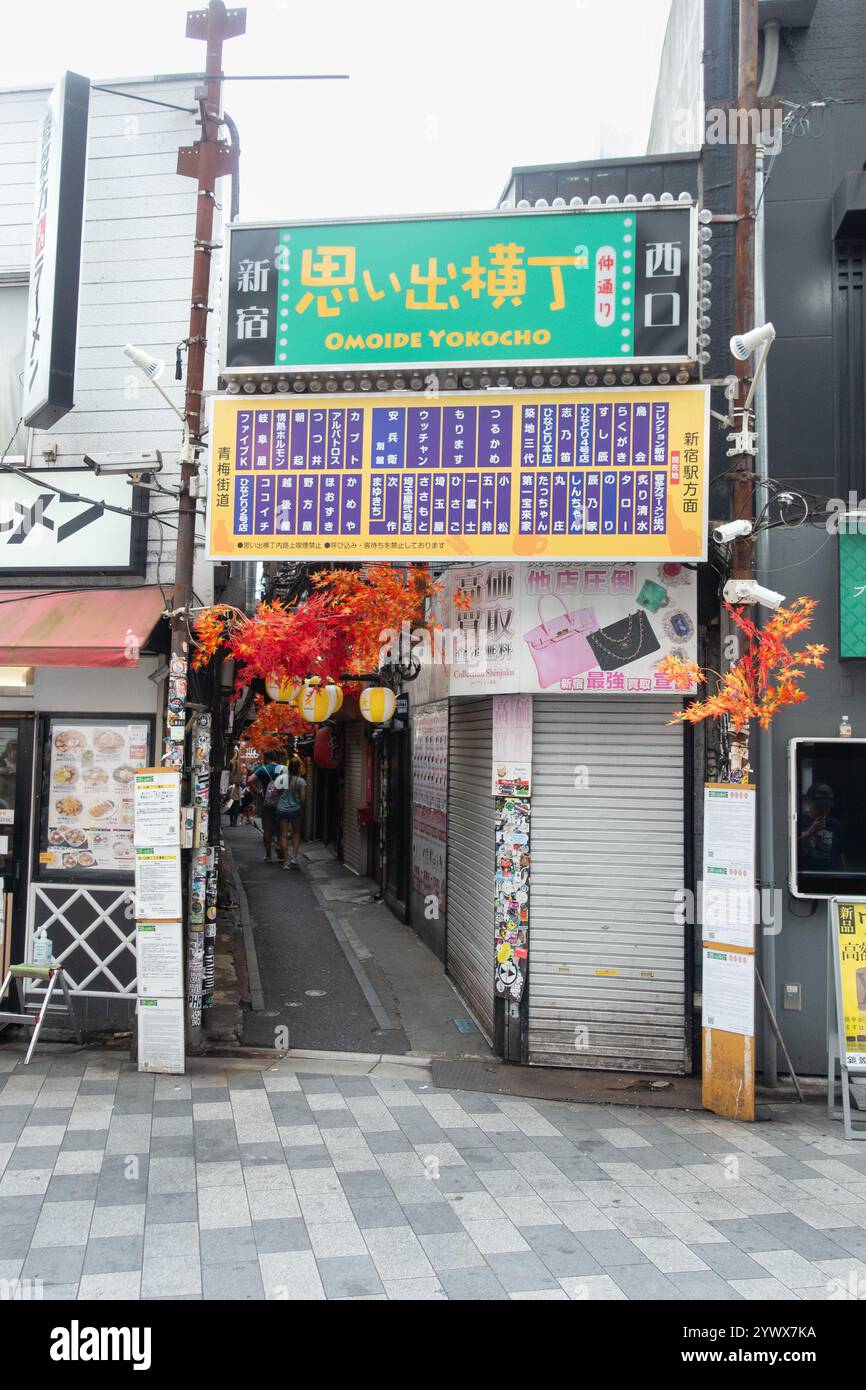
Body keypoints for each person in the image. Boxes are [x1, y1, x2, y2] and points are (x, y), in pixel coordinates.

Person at [798, 782, 846, 874]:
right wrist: (810, 832)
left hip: (829, 876)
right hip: (805, 876)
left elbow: (840, 855)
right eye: (820, 806)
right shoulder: (799, 821)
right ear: (809, 801)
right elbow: (791, 849)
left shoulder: (835, 825)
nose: (824, 810)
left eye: (827, 806)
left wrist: (843, 875)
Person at [246, 757, 289, 862]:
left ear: (266, 759)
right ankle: (280, 848)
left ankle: (268, 856)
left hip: (267, 804)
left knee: (267, 829)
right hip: (281, 804)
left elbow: (250, 781)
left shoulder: (263, 769)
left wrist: (258, 793)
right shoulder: (284, 768)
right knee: (281, 830)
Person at [275, 754, 307, 871]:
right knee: (296, 833)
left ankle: (285, 860)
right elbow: (303, 798)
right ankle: (294, 857)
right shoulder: (301, 781)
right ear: (298, 768)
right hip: (295, 809)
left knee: (283, 835)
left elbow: (277, 793)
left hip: (281, 808)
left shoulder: (282, 779)